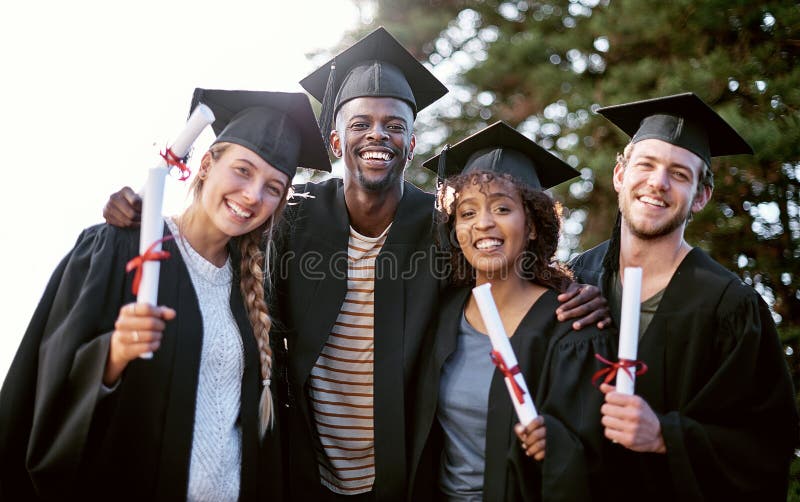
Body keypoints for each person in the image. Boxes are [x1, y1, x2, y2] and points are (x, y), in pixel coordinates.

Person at [101, 28, 609, 501]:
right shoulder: (292, 217)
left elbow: (501, 269)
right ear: (337, 141)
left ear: (411, 144)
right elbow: (217, 232)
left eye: (395, 126)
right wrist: (143, 212)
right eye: (360, 123)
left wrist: (567, 288)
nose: (377, 136)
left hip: (406, 472)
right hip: (301, 465)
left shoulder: (441, 228)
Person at [0, 88, 331, 501]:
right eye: (243, 170)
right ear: (207, 164)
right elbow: (45, 383)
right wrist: (114, 354)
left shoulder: (252, 290)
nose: (252, 195)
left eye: (273, 187)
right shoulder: (122, 249)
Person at [569, 92, 799, 499]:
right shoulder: (575, 280)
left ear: (701, 197)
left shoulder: (730, 307)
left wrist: (665, 436)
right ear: (620, 175)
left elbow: (766, 448)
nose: (658, 182)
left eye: (679, 173)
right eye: (646, 164)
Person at [407, 121, 616, 501]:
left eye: (502, 208)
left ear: (534, 224)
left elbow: (601, 458)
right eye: (467, 213)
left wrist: (556, 445)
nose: (483, 223)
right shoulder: (443, 314)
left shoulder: (572, 327)